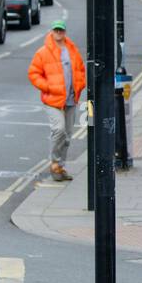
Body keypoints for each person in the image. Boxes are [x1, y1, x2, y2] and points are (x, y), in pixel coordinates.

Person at [28, 20, 86, 181]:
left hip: (70, 99)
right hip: (52, 100)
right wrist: (47, 87)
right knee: (59, 129)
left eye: (61, 30)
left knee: (67, 136)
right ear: (52, 32)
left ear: (65, 32)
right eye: (56, 30)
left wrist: (79, 85)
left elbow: (81, 69)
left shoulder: (72, 50)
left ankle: (60, 167)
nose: (58, 33)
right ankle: (54, 162)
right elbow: (33, 73)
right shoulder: (43, 52)